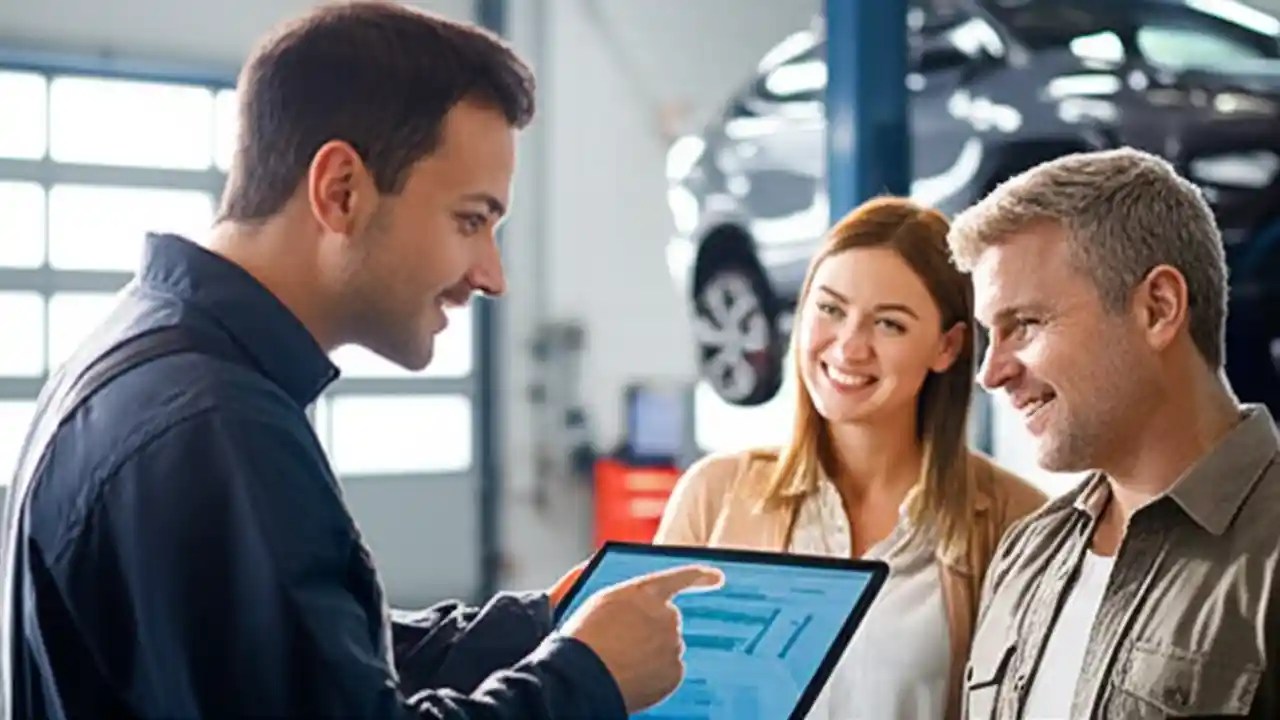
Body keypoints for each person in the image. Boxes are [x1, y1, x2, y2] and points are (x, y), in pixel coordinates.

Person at [0, 3, 724, 719]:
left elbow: (291, 658)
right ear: (340, 190)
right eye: (471, 221)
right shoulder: (212, 424)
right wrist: (585, 679)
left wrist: (534, 629)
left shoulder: (154, 357)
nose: (492, 275)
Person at [654, 196, 1046, 720]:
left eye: (889, 324)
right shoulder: (714, 497)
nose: (848, 348)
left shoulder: (1015, 523)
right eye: (830, 309)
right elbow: (648, 695)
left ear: (947, 347)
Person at [948, 147, 1280, 719]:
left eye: (1023, 324)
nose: (991, 372)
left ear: (1158, 307)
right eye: (989, 334)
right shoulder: (1025, 555)